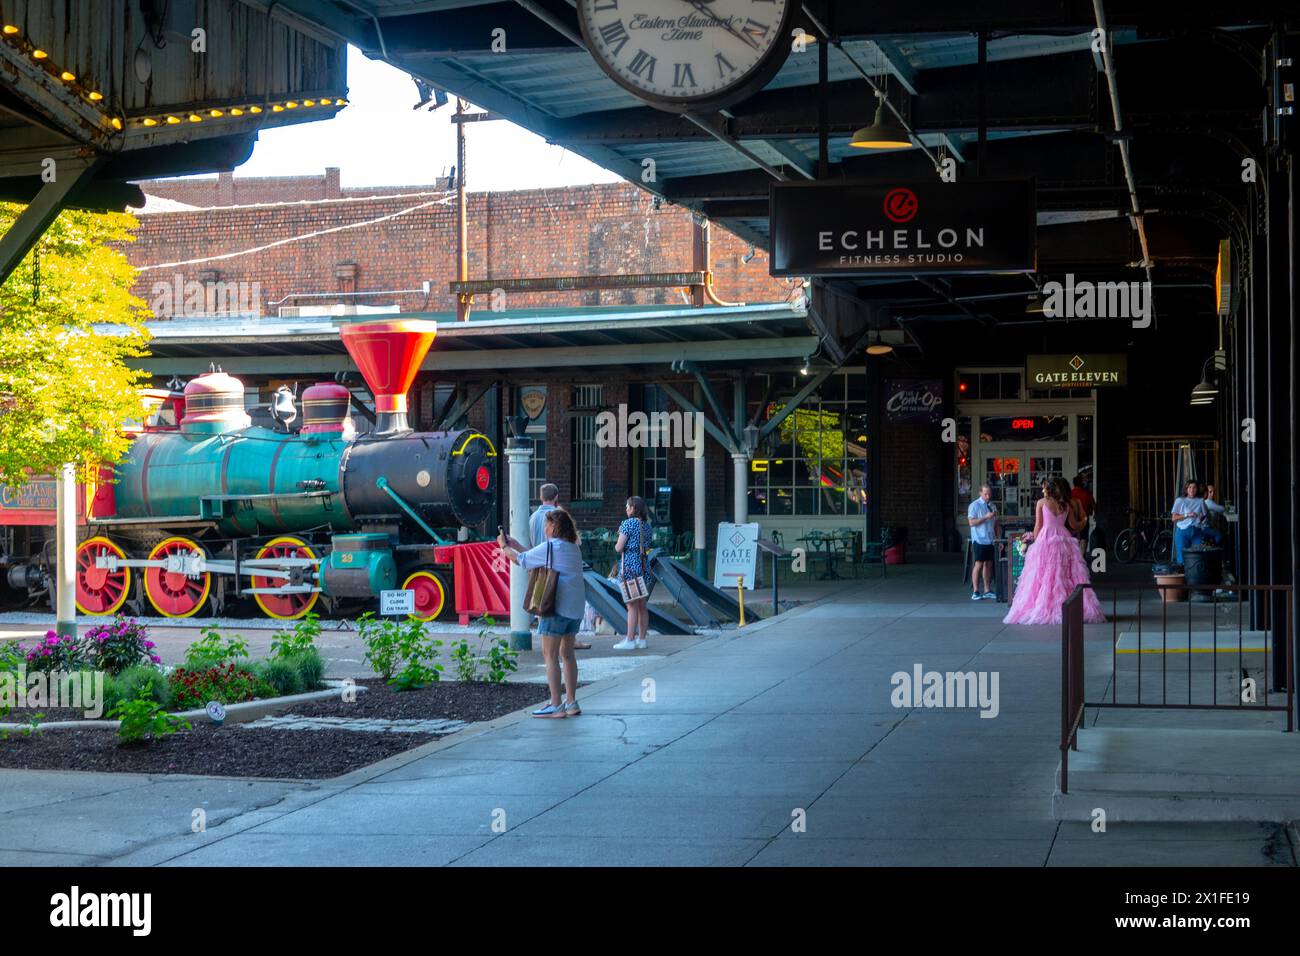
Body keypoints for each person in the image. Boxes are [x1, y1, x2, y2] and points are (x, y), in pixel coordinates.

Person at [498, 509, 585, 718]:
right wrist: (515, 544)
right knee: (568, 654)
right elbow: (533, 554)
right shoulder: (573, 547)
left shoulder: (550, 547)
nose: (544, 529)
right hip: (574, 609)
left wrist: (503, 546)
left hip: (554, 607)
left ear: (554, 527)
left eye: (546, 525)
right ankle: (571, 702)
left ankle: (556, 705)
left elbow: (520, 560)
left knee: (550, 655)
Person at [1004, 477, 1105, 625]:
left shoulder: (1041, 503)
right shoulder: (1066, 504)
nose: (1043, 490)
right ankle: (1069, 606)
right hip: (1064, 538)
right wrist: (1084, 521)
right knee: (1066, 574)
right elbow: (1074, 525)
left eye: (1044, 488)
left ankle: (1046, 607)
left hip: (1046, 538)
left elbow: (1038, 526)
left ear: (1048, 489)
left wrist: (1035, 542)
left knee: (1044, 575)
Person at [612, 495, 651, 650]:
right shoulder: (647, 525)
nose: (626, 509)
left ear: (634, 508)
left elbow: (619, 547)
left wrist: (617, 541)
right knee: (642, 606)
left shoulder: (628, 524)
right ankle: (642, 640)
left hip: (630, 567)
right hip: (643, 566)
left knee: (631, 606)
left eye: (628, 506)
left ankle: (629, 640)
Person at [1170, 479, 1222, 563]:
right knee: (1182, 560)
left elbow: (1206, 514)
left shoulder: (1200, 501)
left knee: (1199, 558)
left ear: (1197, 489)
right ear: (1186, 489)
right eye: (1190, 487)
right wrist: (1187, 515)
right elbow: (1174, 518)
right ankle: (1184, 575)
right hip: (1183, 532)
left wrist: (1200, 520)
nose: (1192, 490)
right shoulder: (1180, 500)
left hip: (1196, 532)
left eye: (1194, 487)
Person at [967, 484, 999, 601]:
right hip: (979, 539)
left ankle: (987, 590)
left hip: (990, 539)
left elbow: (996, 524)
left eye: (989, 494)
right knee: (979, 564)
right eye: (985, 494)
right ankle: (975, 591)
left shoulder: (993, 506)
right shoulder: (974, 505)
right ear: (980, 493)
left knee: (988, 565)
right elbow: (971, 523)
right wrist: (985, 517)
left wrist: (998, 538)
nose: (987, 496)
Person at [528, 483, 560, 548]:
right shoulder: (559, 516)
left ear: (541, 498)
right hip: (553, 556)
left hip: (534, 556)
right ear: (556, 497)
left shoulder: (532, 517)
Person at [1070, 474, 1095, 550]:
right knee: (1084, 537)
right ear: (1082, 483)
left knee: (1073, 536)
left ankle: (1075, 555)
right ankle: (1082, 556)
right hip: (1084, 518)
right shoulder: (1087, 493)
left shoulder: (1070, 494)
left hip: (1072, 518)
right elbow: (1094, 505)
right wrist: (1094, 514)